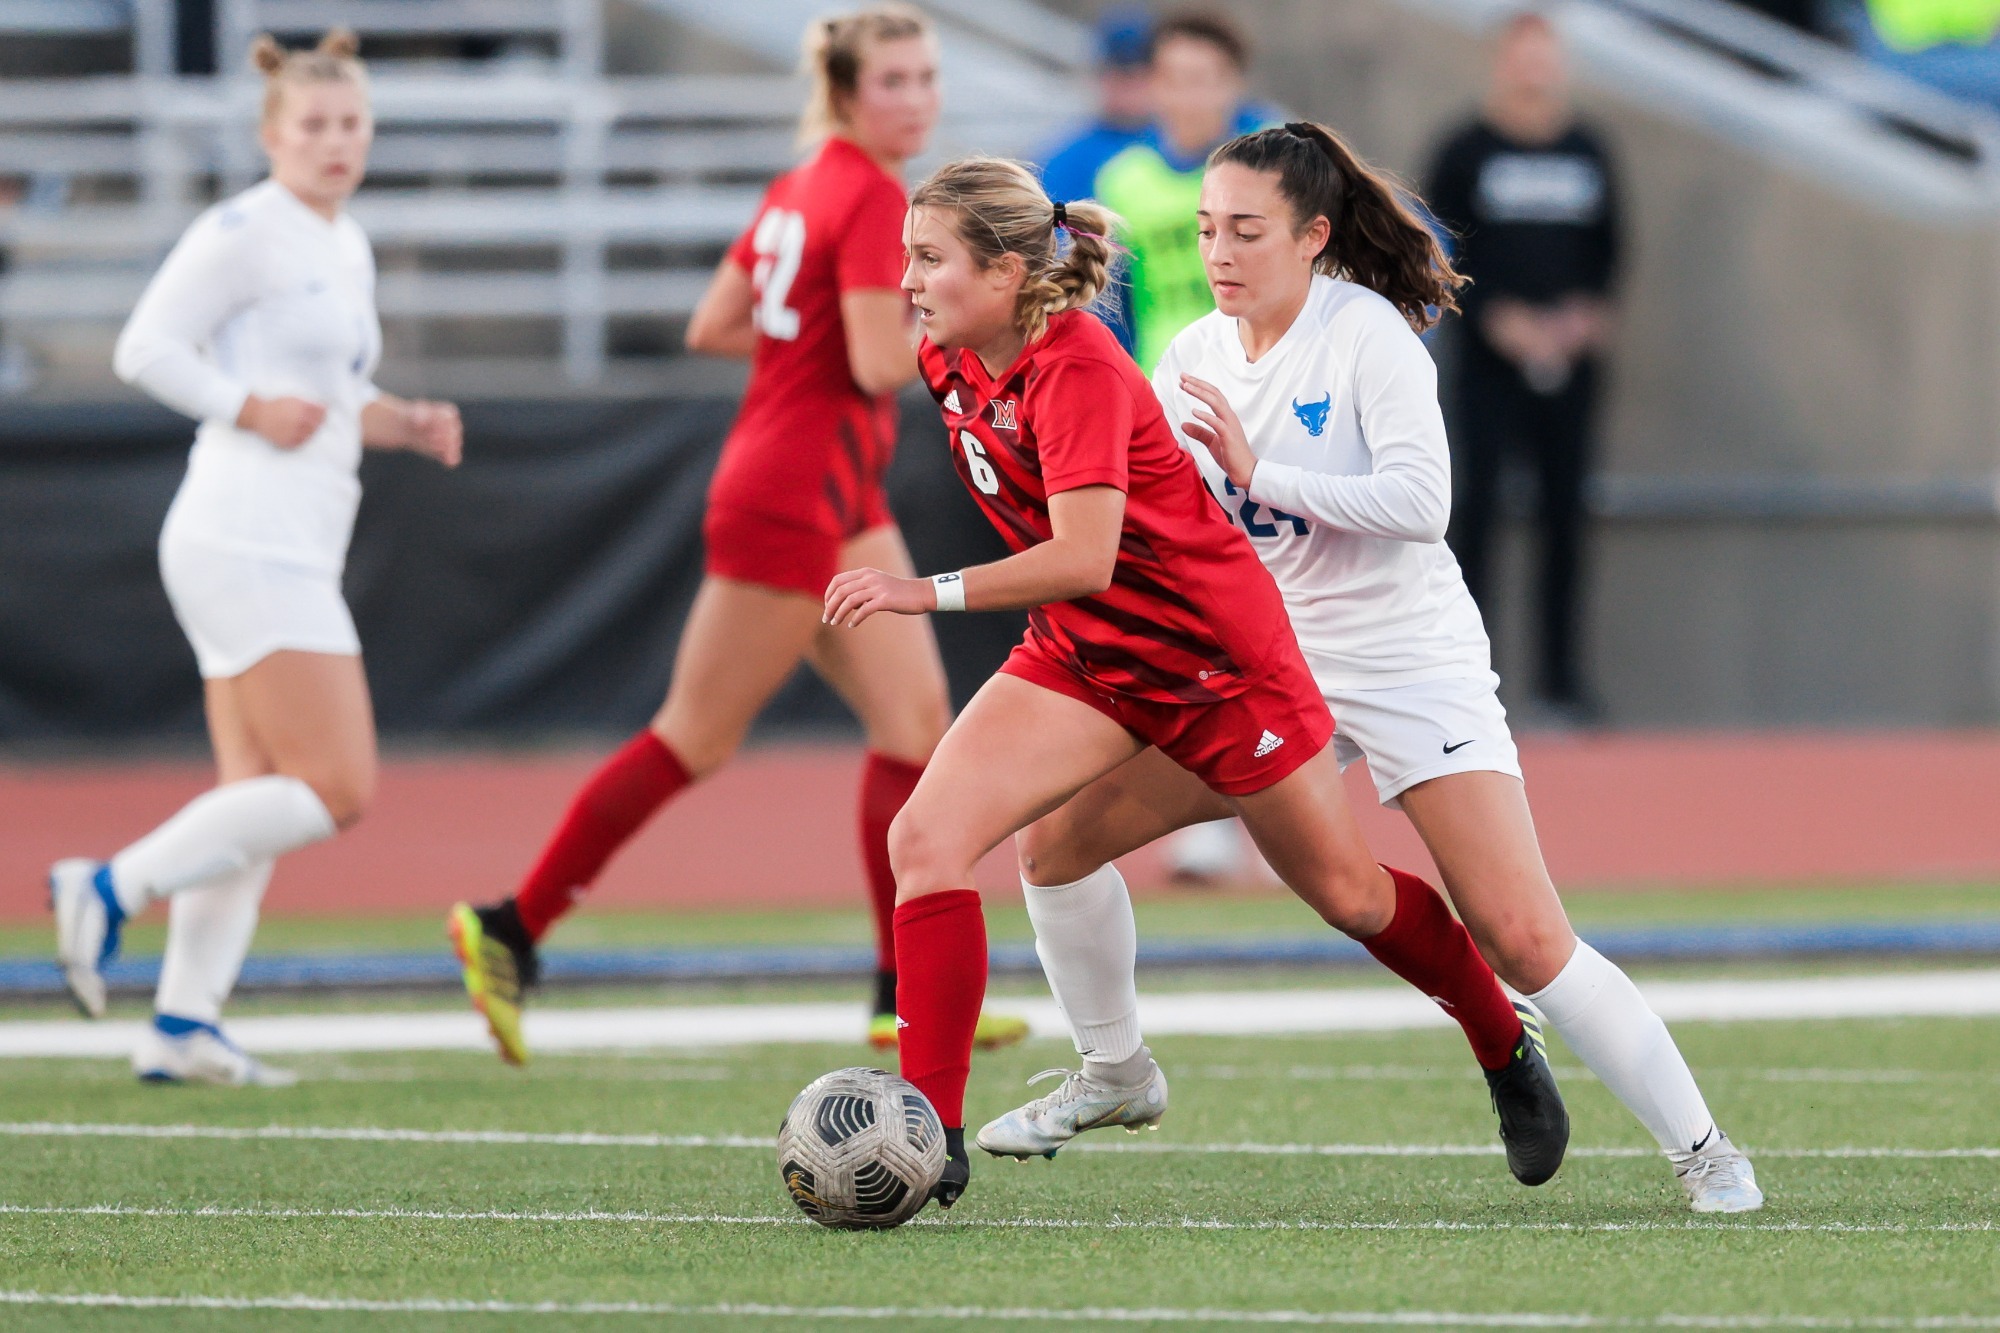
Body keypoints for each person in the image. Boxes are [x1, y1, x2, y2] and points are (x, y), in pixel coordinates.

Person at [977, 123, 1762, 1214]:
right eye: (1206, 229)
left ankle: (1705, 1151)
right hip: (1262, 662)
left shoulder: (1366, 337)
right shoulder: (1190, 354)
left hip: (1404, 661)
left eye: (1246, 230)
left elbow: (1417, 504)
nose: (1219, 251)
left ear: (1311, 237)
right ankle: (1113, 1071)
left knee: (1523, 934)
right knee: (1053, 842)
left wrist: (1265, 472)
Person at [823, 155, 1568, 1210]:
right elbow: (1074, 581)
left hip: (1216, 665)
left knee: (1348, 893)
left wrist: (921, 593)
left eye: (928, 257)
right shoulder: (952, 350)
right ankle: (934, 1127)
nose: (908, 278)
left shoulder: (1073, 363)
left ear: (1001, 272)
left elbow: (1084, 554)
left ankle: (1500, 1042)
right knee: (936, 840)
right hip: (1085, 653)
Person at [446, 4, 1024, 1065]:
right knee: (695, 738)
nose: (917, 98)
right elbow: (876, 362)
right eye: (893, 80)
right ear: (848, 94)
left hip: (828, 494)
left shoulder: (802, 181)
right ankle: (510, 926)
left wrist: (804, 353)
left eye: (926, 77)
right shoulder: (864, 191)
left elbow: (715, 324)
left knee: (913, 726)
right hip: (795, 496)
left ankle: (897, 996)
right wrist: (983, 322)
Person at [52, 30, 464, 1085]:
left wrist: (403, 419)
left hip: (280, 538)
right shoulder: (243, 229)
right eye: (314, 125)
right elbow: (142, 347)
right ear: (271, 134)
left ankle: (182, 1024)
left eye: (351, 123)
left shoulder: (345, 240)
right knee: (337, 785)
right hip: (246, 534)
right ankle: (106, 886)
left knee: (258, 794)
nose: (336, 142)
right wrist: (242, 405)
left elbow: (325, 404)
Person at [1426, 13, 1622, 719]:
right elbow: (1439, 252)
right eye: (1524, 56)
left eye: (1547, 56)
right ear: (1503, 61)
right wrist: (1496, 320)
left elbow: (1608, 251)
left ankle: (1561, 682)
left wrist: (1584, 317)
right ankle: (1471, 681)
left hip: (1570, 366)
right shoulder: (1465, 149)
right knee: (1474, 516)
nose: (1535, 70)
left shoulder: (1588, 149)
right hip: (1487, 366)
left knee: (1566, 516)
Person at [1092, 11, 1278, 372]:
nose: (1186, 96)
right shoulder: (1122, 180)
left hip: (1258, 380)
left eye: (1200, 80)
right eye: (1172, 79)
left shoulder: (1273, 165)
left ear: (1233, 85)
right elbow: (1113, 305)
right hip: (1161, 388)